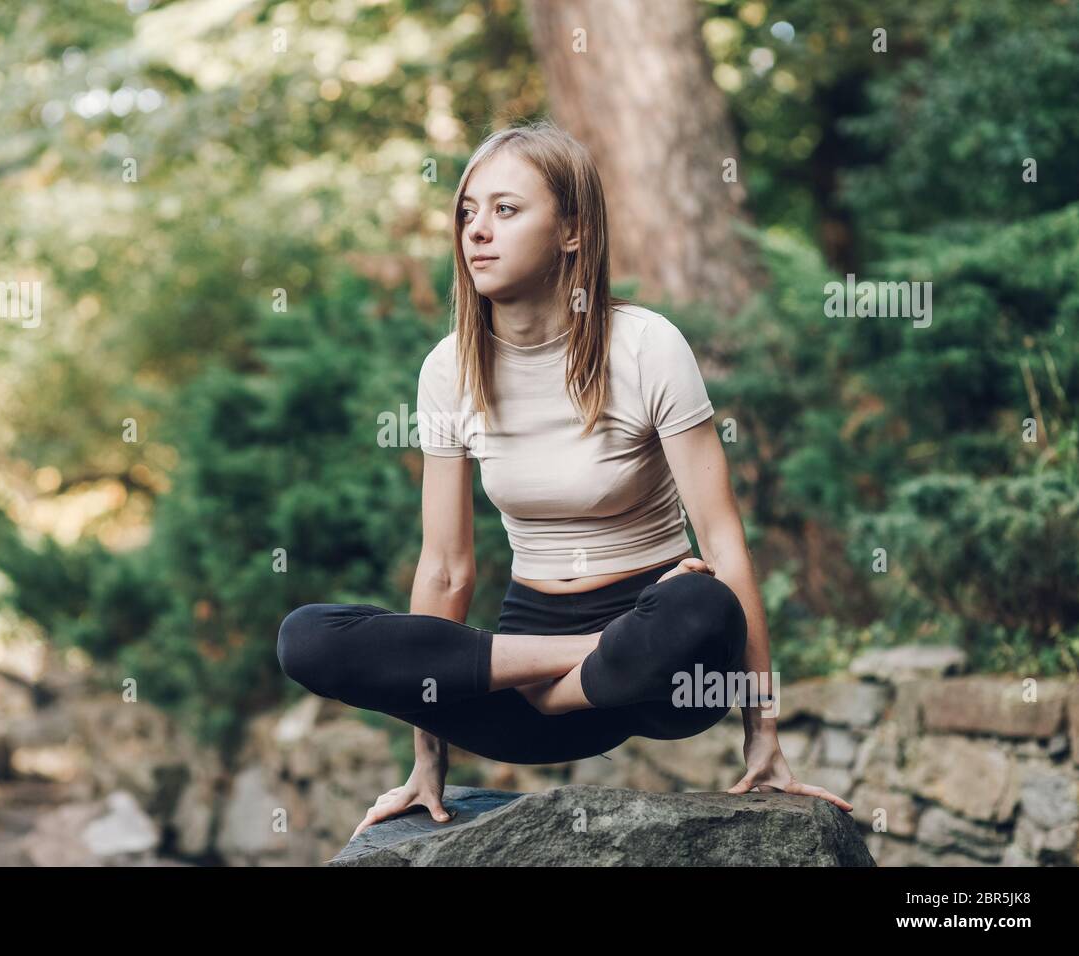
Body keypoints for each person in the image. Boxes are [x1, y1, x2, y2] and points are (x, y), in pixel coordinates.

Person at [276, 120, 852, 841]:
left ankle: (589, 656)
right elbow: (446, 569)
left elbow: (727, 547)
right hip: (527, 675)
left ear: (572, 231)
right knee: (308, 638)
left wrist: (763, 738)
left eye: (506, 210)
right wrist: (428, 762)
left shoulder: (646, 347)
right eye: (467, 212)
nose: (476, 232)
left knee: (701, 607)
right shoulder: (447, 369)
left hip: (656, 670)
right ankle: (570, 665)